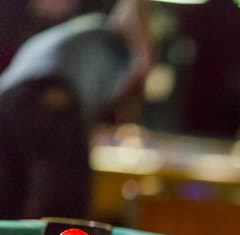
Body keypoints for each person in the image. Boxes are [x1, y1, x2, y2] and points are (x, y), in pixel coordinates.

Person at [0, 0, 151, 220]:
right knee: (68, 193)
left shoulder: (90, 33)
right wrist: (145, 56)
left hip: (6, 100)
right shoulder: (123, 53)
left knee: (11, 189)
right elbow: (134, 6)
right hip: (47, 92)